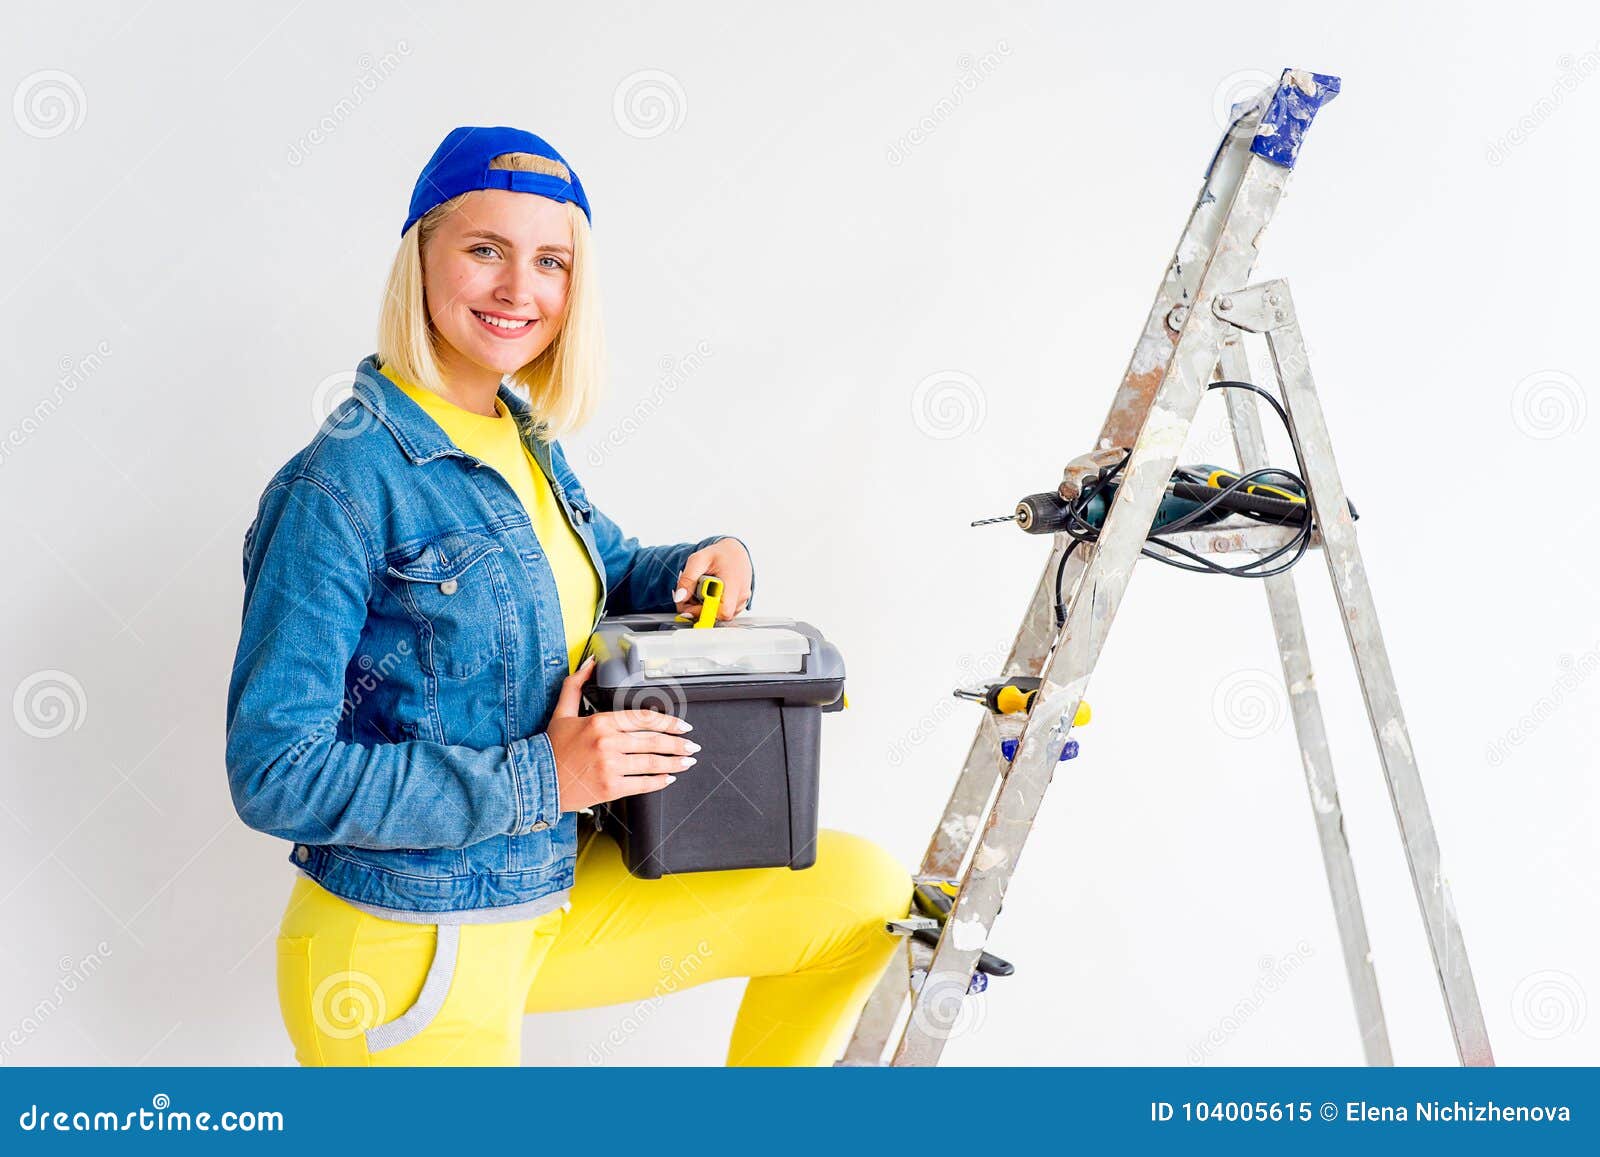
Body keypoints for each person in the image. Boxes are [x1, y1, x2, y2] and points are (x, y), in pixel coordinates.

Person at [225, 126, 911, 1067]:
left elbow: (597, 575)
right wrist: (547, 778)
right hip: (403, 949)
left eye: (551, 261)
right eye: (485, 249)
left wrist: (703, 561)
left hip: (543, 890)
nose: (520, 289)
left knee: (860, 895)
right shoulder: (339, 484)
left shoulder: (522, 437)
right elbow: (275, 771)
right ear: (419, 257)